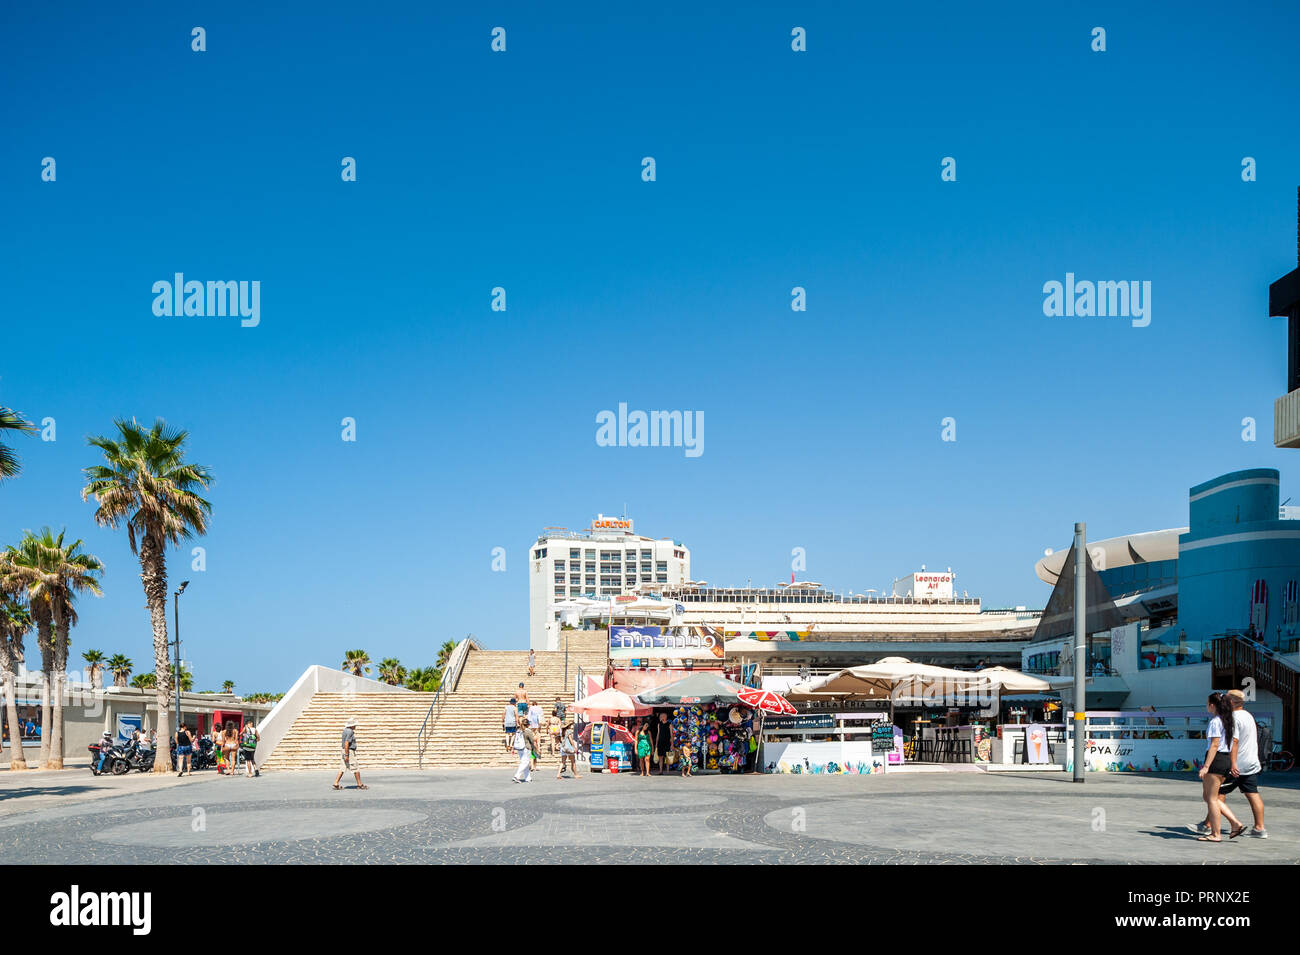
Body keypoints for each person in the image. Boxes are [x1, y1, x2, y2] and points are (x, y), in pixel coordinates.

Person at [1197, 689, 1267, 839]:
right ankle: (1259, 828)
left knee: (1215, 796)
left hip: (1234, 763)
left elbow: (1232, 742)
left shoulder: (1231, 718)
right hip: (1250, 761)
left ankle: (1213, 827)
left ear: (1230, 702)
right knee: (1252, 794)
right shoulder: (1248, 716)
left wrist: (1232, 764)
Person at [1195, 692, 1245, 842]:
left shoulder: (1215, 722)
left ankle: (1216, 833)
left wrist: (1206, 766)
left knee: (1211, 799)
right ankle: (1235, 823)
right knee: (1211, 797)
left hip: (1216, 761)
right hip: (1225, 760)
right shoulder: (1228, 721)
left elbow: (1214, 744)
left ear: (1212, 705)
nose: (1207, 706)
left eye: (1207, 703)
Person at [333, 717, 367, 790]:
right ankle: (359, 784)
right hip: (349, 751)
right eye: (354, 725)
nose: (355, 726)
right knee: (355, 767)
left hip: (344, 750)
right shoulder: (350, 732)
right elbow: (347, 743)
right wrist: (347, 754)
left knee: (342, 767)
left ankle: (336, 783)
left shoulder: (345, 730)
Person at [528, 703, 542, 770]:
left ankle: (533, 766)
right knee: (534, 756)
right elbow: (538, 742)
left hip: (531, 746)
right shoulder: (538, 734)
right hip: (535, 746)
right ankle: (534, 766)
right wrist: (539, 748)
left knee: (532, 756)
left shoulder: (530, 734)